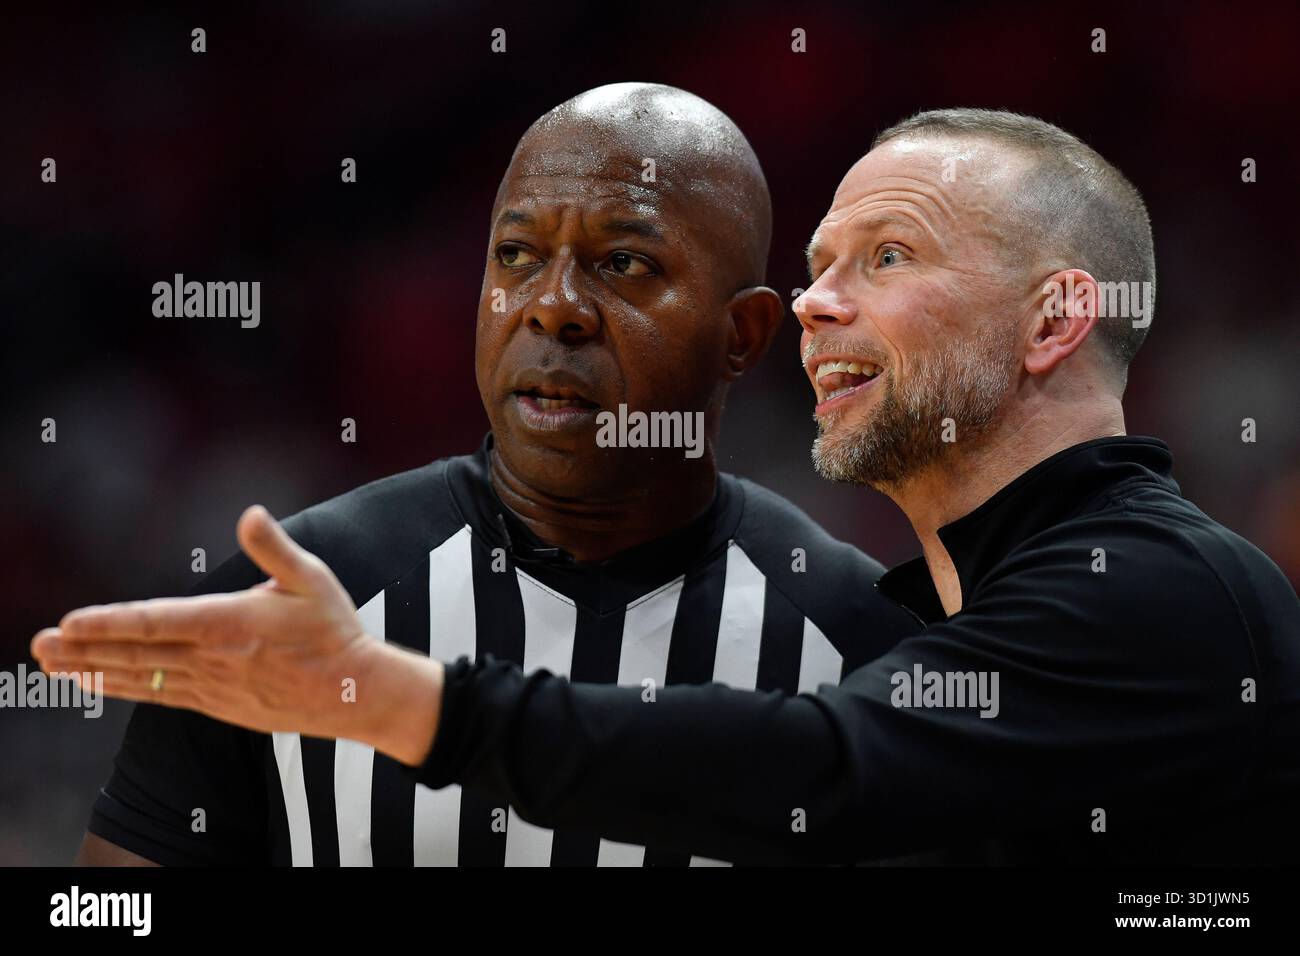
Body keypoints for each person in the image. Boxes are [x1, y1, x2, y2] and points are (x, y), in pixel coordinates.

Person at [41, 109, 1299, 865]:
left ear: (1055, 318)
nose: (821, 298)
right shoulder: (944, 618)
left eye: (890, 253)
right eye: (816, 263)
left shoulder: (1154, 590)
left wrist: (404, 701)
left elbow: (825, 768)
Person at [42, 84, 919, 867]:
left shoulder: (865, 642)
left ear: (744, 337)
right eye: (517, 255)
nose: (554, 305)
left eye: (624, 264)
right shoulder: (287, 603)